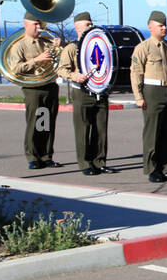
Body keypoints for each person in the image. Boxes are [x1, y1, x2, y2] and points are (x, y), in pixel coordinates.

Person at [56, 11, 115, 175]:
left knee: (101, 129)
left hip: (100, 92)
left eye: (91, 23)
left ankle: (100, 161)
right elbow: (61, 70)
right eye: (87, 24)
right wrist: (76, 76)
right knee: (83, 129)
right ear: (77, 28)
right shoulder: (72, 47)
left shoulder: (101, 44)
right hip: (82, 92)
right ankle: (85, 163)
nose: (91, 26)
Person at [130, 10, 167, 182]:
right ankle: (152, 169)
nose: (164, 28)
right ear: (150, 27)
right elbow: (136, 73)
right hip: (152, 91)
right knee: (152, 133)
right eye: (160, 25)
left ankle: (165, 168)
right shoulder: (143, 48)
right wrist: (138, 96)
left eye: (165, 25)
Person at [9, 14, 61, 169]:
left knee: (47, 123)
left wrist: (59, 46)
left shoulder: (45, 42)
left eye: (40, 24)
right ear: (26, 25)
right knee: (35, 123)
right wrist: (37, 60)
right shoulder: (20, 46)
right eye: (35, 24)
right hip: (33, 88)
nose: (39, 27)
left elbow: (59, 59)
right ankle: (32, 156)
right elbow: (16, 69)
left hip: (50, 86)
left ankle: (46, 156)